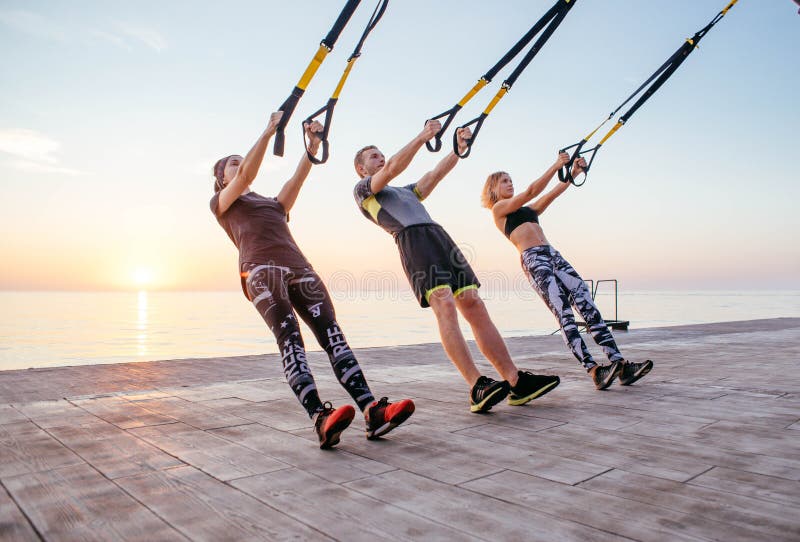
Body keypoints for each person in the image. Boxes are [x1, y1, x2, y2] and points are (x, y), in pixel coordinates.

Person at [211, 111, 414, 448]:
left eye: (239, 161)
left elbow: (296, 181)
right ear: (220, 179)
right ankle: (319, 417)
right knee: (291, 339)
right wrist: (268, 131)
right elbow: (248, 172)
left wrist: (312, 147)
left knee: (333, 336)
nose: (240, 164)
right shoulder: (222, 203)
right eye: (232, 163)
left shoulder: (273, 205)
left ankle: (371, 411)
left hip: (301, 270)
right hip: (261, 272)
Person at [352, 120, 560, 413]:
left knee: (474, 304)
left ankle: (515, 381)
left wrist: (458, 149)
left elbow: (434, 174)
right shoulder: (363, 191)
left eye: (380, 153)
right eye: (373, 156)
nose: (380, 158)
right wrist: (424, 135)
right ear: (361, 169)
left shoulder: (406, 191)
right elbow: (392, 169)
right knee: (445, 305)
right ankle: (477, 385)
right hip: (413, 241)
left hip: (438, 236)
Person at [481, 153, 653, 389]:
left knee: (588, 306)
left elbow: (550, 194)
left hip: (554, 256)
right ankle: (594, 371)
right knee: (565, 315)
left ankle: (619, 364)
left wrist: (573, 173)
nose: (510, 183)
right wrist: (556, 165)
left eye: (511, 180)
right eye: (504, 181)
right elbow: (531, 190)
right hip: (534, 260)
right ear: (493, 188)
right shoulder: (499, 209)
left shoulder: (528, 209)